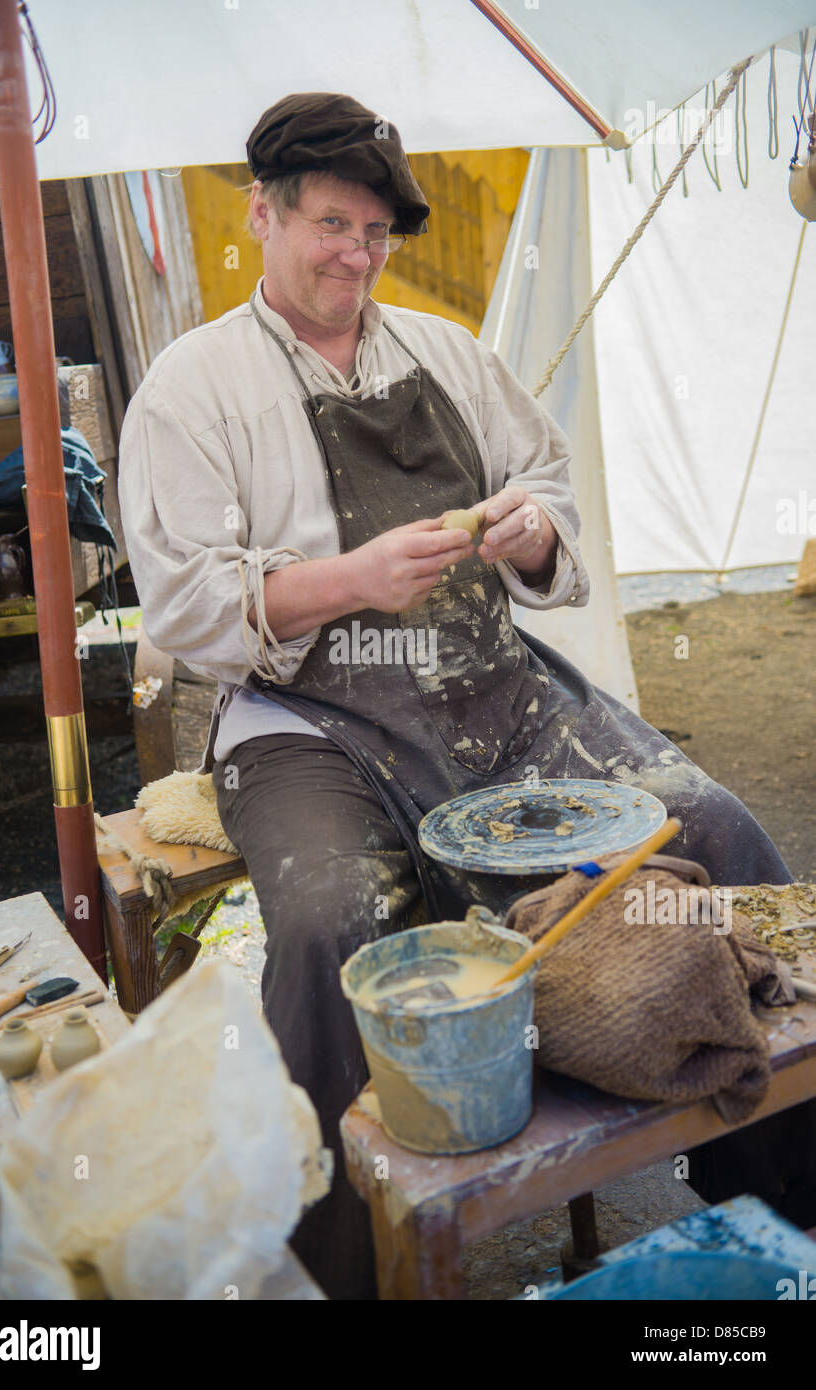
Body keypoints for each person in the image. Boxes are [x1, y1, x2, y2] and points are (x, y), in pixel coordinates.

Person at [118, 92, 805, 1300]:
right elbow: (178, 607)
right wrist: (350, 580)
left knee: (717, 830)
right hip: (307, 723)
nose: (357, 257)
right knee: (336, 917)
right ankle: (334, 1265)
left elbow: (544, 481)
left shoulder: (445, 351)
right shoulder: (192, 387)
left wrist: (535, 532)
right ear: (262, 214)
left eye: (376, 236)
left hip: (497, 692)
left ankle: (769, 1191)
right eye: (332, 226)